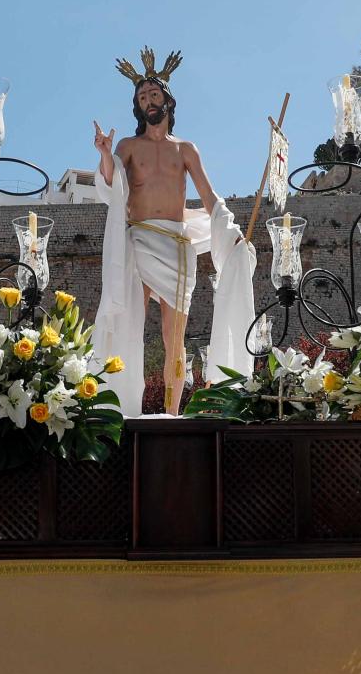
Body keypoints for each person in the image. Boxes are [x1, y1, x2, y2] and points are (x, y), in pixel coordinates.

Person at [90, 47, 254, 415]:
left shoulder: (186, 149)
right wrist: (104, 154)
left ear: (167, 100)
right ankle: (123, 408)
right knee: (128, 326)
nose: (148, 101)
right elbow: (113, 185)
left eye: (154, 94)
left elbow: (208, 196)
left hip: (177, 246)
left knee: (173, 338)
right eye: (142, 97)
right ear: (138, 107)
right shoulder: (128, 146)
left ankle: (172, 414)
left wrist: (230, 230)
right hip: (138, 239)